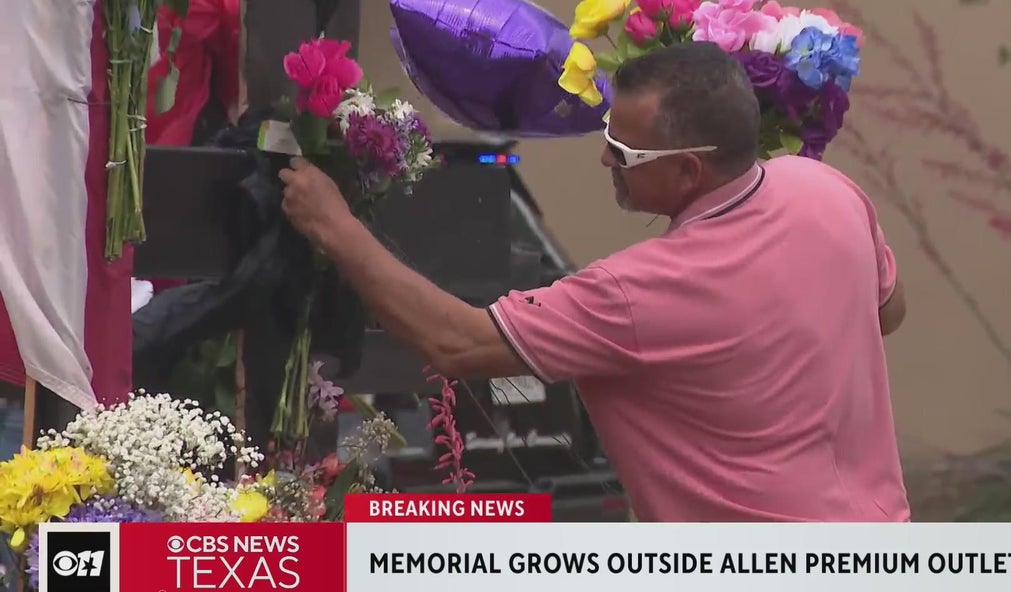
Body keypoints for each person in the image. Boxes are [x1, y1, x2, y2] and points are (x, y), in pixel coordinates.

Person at [278, 42, 910, 522]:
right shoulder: (828, 191)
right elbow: (887, 311)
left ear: (689, 171)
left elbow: (455, 342)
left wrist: (335, 226)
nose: (606, 157)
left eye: (625, 152)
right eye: (609, 134)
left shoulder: (639, 291)